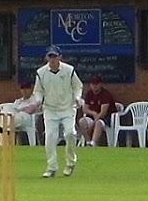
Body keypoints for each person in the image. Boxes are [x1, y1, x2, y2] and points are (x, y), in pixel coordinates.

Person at [32, 45, 83, 177]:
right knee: (50, 137)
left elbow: (78, 86)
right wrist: (38, 100)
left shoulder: (69, 70)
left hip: (68, 108)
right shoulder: (41, 72)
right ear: (46, 57)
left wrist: (77, 98)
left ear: (60, 57)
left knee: (70, 133)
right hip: (50, 109)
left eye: (54, 56)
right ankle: (52, 167)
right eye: (50, 56)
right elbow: (38, 90)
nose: (52, 59)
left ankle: (71, 162)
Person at [77, 75, 116, 147]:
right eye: (92, 84)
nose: (94, 86)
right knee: (82, 121)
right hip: (92, 116)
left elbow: (103, 112)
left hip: (105, 118)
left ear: (100, 84)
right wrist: (93, 113)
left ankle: (93, 143)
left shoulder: (105, 94)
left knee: (98, 123)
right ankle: (88, 142)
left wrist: (94, 123)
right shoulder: (89, 94)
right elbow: (85, 109)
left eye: (96, 84)